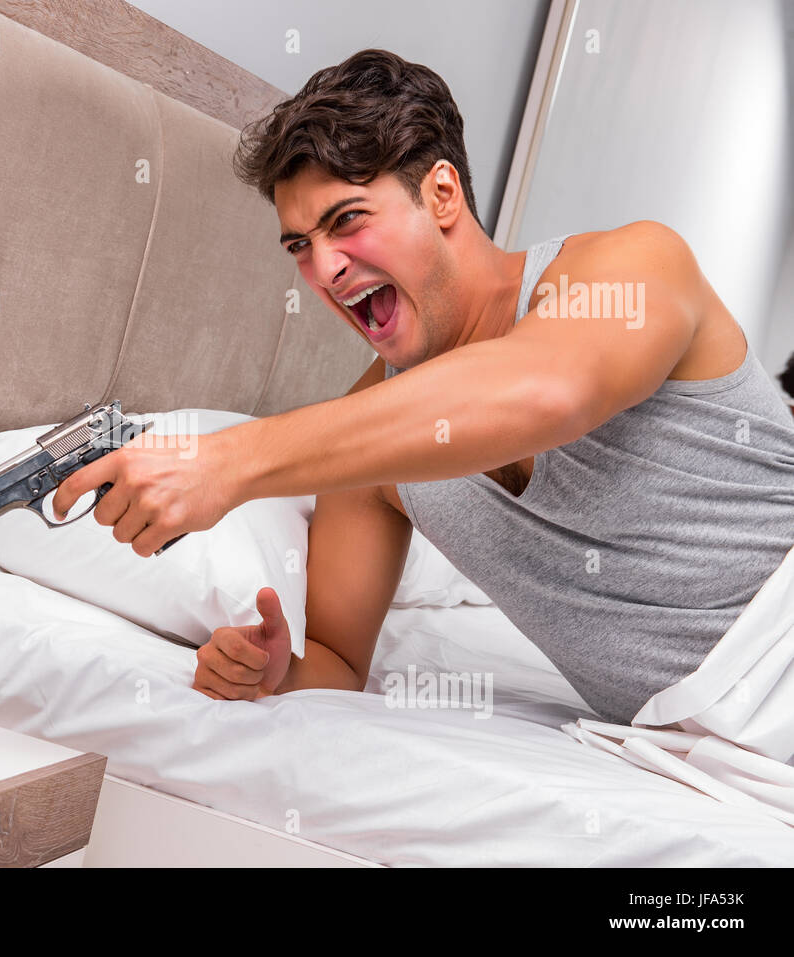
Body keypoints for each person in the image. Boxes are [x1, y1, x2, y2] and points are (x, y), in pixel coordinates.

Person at [49, 49, 794, 724]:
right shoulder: (368, 446)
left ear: (441, 194)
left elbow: (545, 393)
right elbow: (338, 662)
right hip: (717, 736)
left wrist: (228, 459)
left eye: (347, 221)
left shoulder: (636, 267)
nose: (324, 270)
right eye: (300, 246)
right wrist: (273, 673)